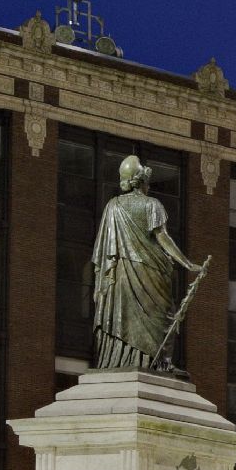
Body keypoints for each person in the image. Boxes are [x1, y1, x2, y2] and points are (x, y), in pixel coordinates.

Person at [90, 155, 208, 371]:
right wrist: (187, 263)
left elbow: (105, 250)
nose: (149, 185)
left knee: (124, 315)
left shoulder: (112, 206)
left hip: (122, 273)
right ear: (142, 181)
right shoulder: (152, 205)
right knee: (164, 316)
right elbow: (163, 238)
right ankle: (160, 363)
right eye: (147, 180)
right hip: (150, 271)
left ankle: (123, 359)